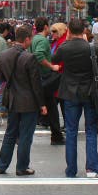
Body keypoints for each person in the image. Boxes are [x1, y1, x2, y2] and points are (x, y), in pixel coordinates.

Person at [53, 18, 98, 178]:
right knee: (90, 130)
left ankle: (71, 170)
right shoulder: (92, 48)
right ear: (84, 30)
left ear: (69, 30)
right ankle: (92, 168)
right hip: (90, 92)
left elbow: (54, 59)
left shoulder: (64, 48)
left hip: (70, 92)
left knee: (71, 131)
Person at [0, 25, 46, 176]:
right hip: (28, 101)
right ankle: (22, 167)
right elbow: (36, 85)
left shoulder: (4, 55)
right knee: (25, 135)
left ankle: (2, 165)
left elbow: (2, 78)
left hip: (12, 99)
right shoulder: (29, 58)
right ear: (26, 39)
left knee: (10, 133)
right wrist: (42, 104)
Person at [31, 17, 64, 145]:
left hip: (39, 77)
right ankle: (56, 136)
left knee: (49, 107)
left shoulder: (34, 39)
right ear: (45, 26)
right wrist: (51, 66)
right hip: (44, 77)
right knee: (48, 107)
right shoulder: (43, 41)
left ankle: (56, 136)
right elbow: (38, 55)